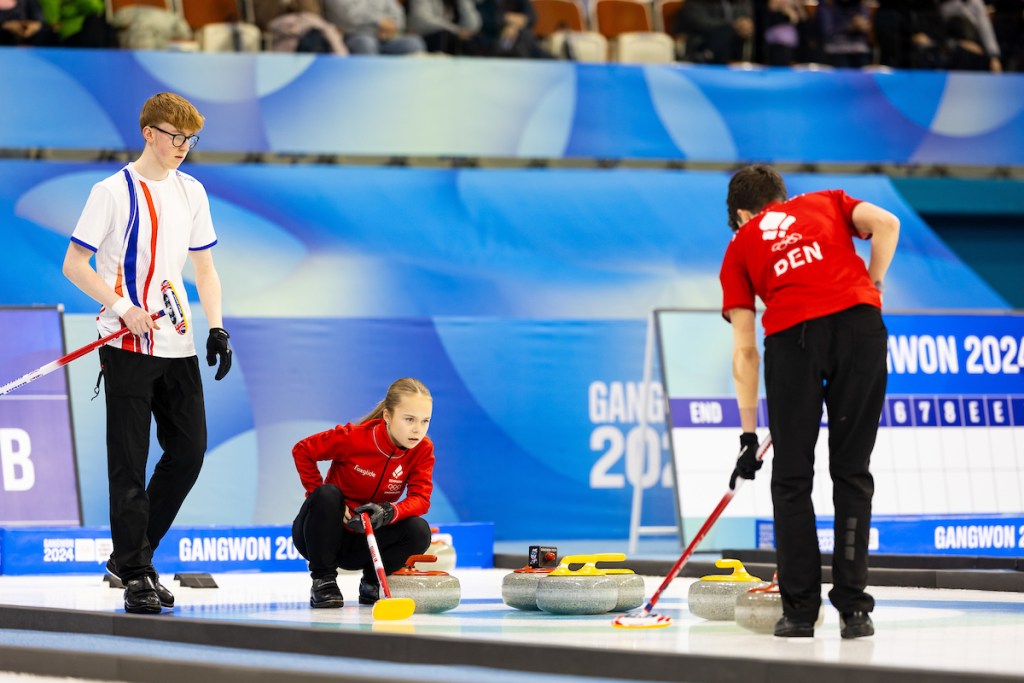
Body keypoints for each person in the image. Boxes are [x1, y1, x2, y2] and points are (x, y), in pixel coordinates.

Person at [63, 92, 233, 615]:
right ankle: (137, 571)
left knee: (189, 452)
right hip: (127, 343)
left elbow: (204, 268)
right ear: (149, 133)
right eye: (174, 136)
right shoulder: (111, 192)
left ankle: (130, 555)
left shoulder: (192, 192)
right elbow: (74, 264)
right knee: (129, 464)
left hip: (178, 341)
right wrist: (120, 304)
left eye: (190, 139)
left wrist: (218, 328)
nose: (182, 146)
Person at [718, 165, 899, 639]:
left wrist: (748, 434)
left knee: (792, 478)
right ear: (782, 196)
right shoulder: (826, 201)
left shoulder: (739, 246)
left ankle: (799, 612)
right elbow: (887, 225)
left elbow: (744, 351)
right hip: (860, 329)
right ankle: (855, 611)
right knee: (852, 472)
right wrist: (873, 285)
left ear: (741, 214)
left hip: (793, 340)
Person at [291, 378, 435, 608]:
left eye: (425, 421)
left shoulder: (422, 450)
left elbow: (421, 499)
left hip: (365, 542)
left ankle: (371, 582)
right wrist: (321, 499)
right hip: (321, 538)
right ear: (387, 416)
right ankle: (323, 581)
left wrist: (389, 512)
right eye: (409, 419)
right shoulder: (353, 437)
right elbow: (302, 450)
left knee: (419, 530)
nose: (418, 429)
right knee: (328, 495)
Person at [323, 0, 425, 55]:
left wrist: (393, 26)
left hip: (385, 38)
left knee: (414, 43)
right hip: (353, 36)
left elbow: (397, 13)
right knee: (366, 44)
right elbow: (349, 16)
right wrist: (379, 22)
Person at [674, 0, 753, 64]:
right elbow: (701, 24)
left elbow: (745, 21)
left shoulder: (739, 3)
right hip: (700, 45)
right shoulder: (694, 3)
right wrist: (734, 26)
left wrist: (745, 27)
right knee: (725, 32)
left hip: (734, 47)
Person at [406, 0, 481, 55]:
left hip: (452, 36)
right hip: (426, 37)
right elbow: (422, 21)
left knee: (475, 40)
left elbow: (473, 26)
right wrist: (456, 31)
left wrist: (464, 2)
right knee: (444, 36)